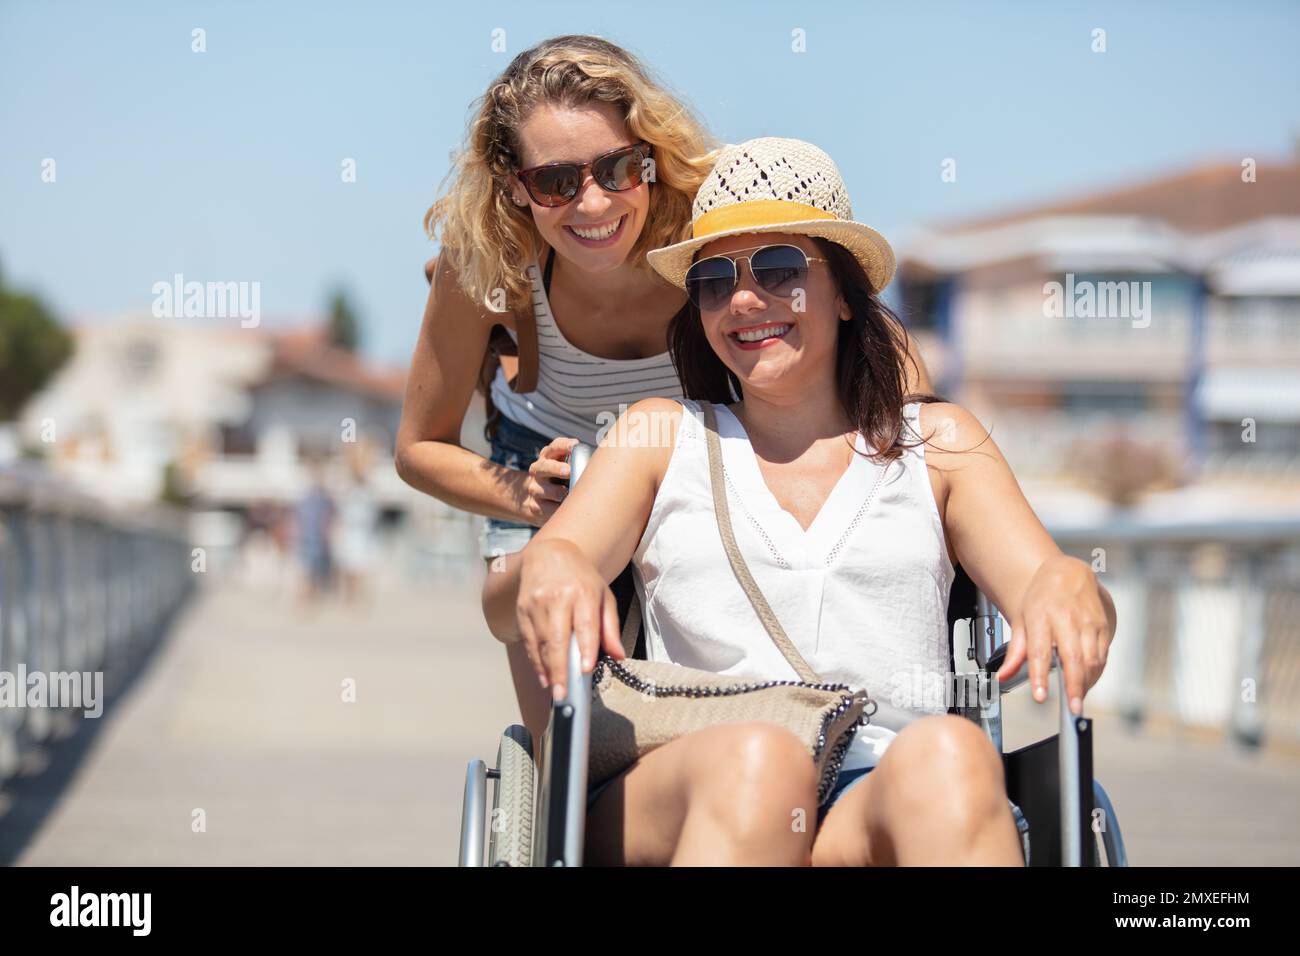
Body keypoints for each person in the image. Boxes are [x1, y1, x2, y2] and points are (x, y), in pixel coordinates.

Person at [482, 138, 1117, 867]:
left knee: (952, 754)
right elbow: (525, 590)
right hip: (692, 780)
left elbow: (1044, 581)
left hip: (876, 795)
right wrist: (553, 561)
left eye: (779, 268)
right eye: (713, 281)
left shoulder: (940, 444)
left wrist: (1069, 582)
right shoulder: (659, 437)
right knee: (762, 764)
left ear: (843, 293)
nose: (743, 299)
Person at [395, 36, 933, 743]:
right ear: (515, 186)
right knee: (570, 755)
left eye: (618, 168)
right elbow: (418, 448)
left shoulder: (705, 223)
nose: (593, 202)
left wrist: (922, 447)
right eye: (555, 181)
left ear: (650, 156)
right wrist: (523, 494)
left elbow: (866, 331)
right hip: (544, 474)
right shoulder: (487, 263)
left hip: (692, 462)